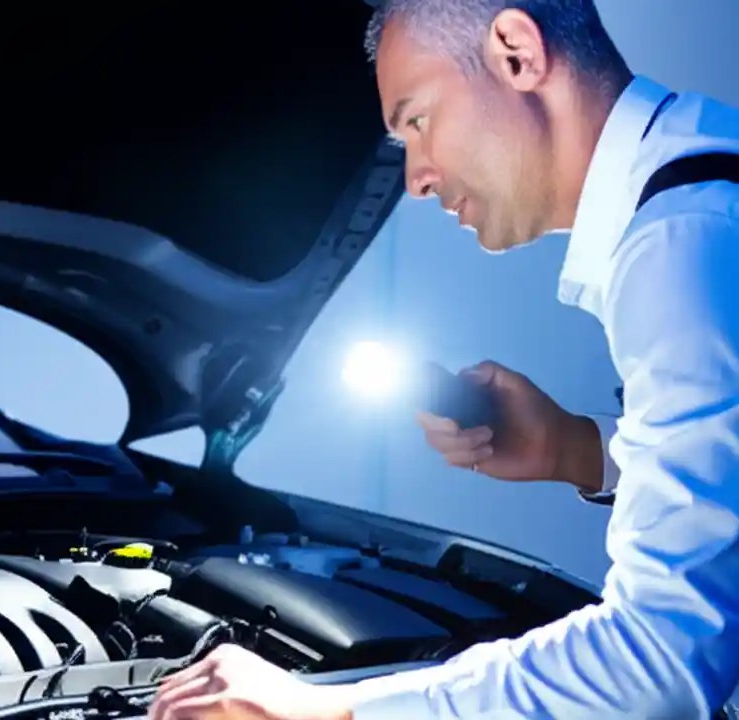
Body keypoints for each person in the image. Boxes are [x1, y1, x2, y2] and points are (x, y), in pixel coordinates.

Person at [148, 0, 739, 718]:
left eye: (419, 121)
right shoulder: (705, 185)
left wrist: (331, 712)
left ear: (516, 53)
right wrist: (577, 450)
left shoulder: (683, 243)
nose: (416, 178)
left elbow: (660, 664)